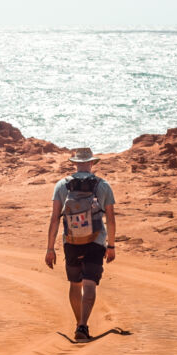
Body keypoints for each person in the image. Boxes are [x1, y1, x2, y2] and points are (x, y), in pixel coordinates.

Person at [44, 147, 117, 342]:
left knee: (75, 284)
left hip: (71, 241)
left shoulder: (61, 185)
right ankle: (84, 324)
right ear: (92, 163)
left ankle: (78, 325)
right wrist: (111, 246)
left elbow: (54, 219)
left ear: (75, 163)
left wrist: (50, 249)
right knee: (90, 283)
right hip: (96, 241)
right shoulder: (103, 185)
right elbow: (110, 219)